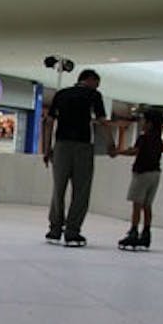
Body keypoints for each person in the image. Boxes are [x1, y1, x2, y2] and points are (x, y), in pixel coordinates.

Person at [43, 69, 116, 247]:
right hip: (83, 146)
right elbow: (103, 121)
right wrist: (110, 144)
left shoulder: (61, 94)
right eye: (97, 83)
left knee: (58, 188)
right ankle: (72, 231)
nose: (97, 86)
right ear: (90, 80)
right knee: (81, 190)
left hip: (61, 145)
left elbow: (49, 121)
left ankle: (54, 229)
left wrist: (46, 149)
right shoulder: (94, 95)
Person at [111, 109, 163, 250]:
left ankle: (134, 231)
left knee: (137, 205)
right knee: (147, 205)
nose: (141, 123)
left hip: (142, 174)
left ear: (150, 123)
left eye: (144, 120)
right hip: (155, 174)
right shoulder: (159, 139)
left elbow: (135, 151)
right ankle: (146, 233)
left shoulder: (144, 137)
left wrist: (118, 151)